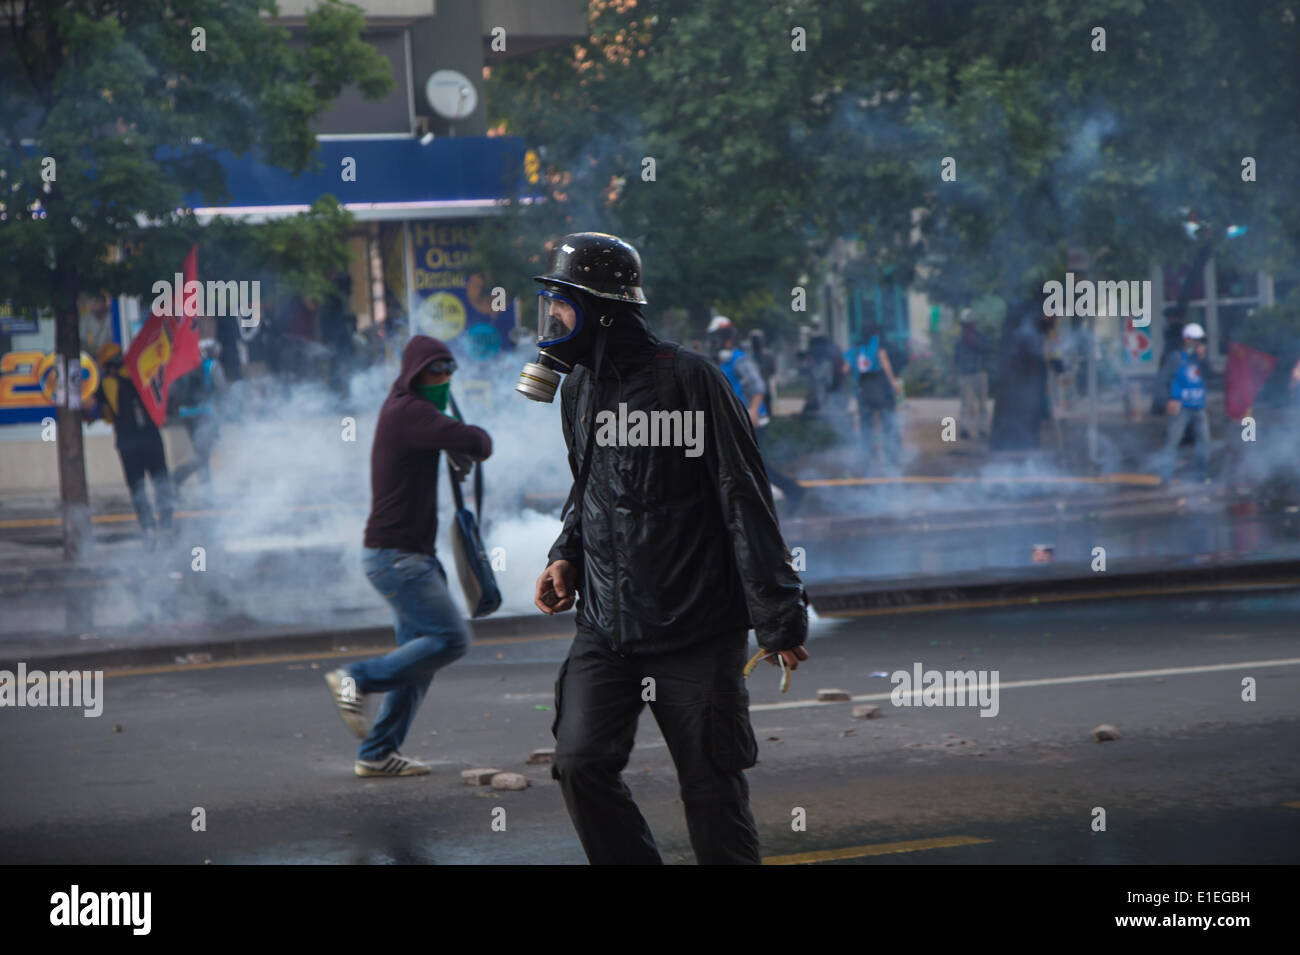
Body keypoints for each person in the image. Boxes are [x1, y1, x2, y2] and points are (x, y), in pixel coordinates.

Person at [526, 232, 809, 865]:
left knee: (711, 793)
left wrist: (779, 616)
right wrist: (564, 551)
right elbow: (588, 484)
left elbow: (744, 497)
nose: (550, 319)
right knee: (579, 764)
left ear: (600, 309)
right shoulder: (577, 390)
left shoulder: (690, 379)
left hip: (696, 631)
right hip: (605, 629)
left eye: (560, 303)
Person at [323, 336, 492, 777]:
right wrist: (461, 439)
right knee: (451, 640)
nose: (445, 378)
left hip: (406, 556)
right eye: (437, 370)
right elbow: (478, 439)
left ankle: (377, 753)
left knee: (418, 660)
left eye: (451, 370)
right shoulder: (412, 412)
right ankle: (356, 678)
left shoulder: (411, 411)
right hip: (398, 560)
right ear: (416, 373)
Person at [707, 316, 805, 512]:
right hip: (737, 421)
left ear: (726, 338)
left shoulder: (739, 359)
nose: (714, 343)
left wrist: (753, 411)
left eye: (717, 338)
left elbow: (758, 387)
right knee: (747, 464)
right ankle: (782, 496)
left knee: (751, 464)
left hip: (752, 421)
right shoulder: (723, 362)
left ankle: (790, 493)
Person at [87, 343, 174, 549]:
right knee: (161, 482)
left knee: (138, 488)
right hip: (152, 438)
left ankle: (148, 528)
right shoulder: (144, 375)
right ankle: (168, 526)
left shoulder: (107, 383)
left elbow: (95, 408)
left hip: (128, 443)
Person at [171, 339, 228, 500]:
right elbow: (222, 389)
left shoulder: (185, 366)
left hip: (187, 415)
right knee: (203, 456)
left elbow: (173, 390)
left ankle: (207, 493)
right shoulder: (212, 366)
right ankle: (177, 477)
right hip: (206, 414)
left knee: (202, 455)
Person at [843, 322, 904, 473]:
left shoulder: (853, 349)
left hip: (863, 393)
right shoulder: (877, 344)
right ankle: (892, 458)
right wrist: (894, 383)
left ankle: (866, 460)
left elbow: (845, 369)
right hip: (883, 393)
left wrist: (855, 377)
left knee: (866, 428)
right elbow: (885, 364)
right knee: (889, 425)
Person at [1158, 322, 1211, 483]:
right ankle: (1165, 477)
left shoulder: (1201, 360)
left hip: (1198, 407)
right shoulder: (1175, 358)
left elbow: (1210, 377)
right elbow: (1162, 381)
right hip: (1180, 407)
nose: (1198, 344)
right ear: (1186, 339)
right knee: (1172, 442)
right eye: (1195, 340)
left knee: (1204, 442)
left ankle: (1201, 476)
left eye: (1200, 341)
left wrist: (1203, 360)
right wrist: (1167, 400)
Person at [953, 310, 989, 439]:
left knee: (982, 404)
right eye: (965, 325)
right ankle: (964, 429)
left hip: (979, 373)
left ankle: (982, 429)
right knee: (966, 404)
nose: (968, 327)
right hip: (966, 375)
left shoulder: (980, 337)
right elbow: (956, 358)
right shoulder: (959, 340)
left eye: (970, 324)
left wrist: (972, 341)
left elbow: (985, 350)